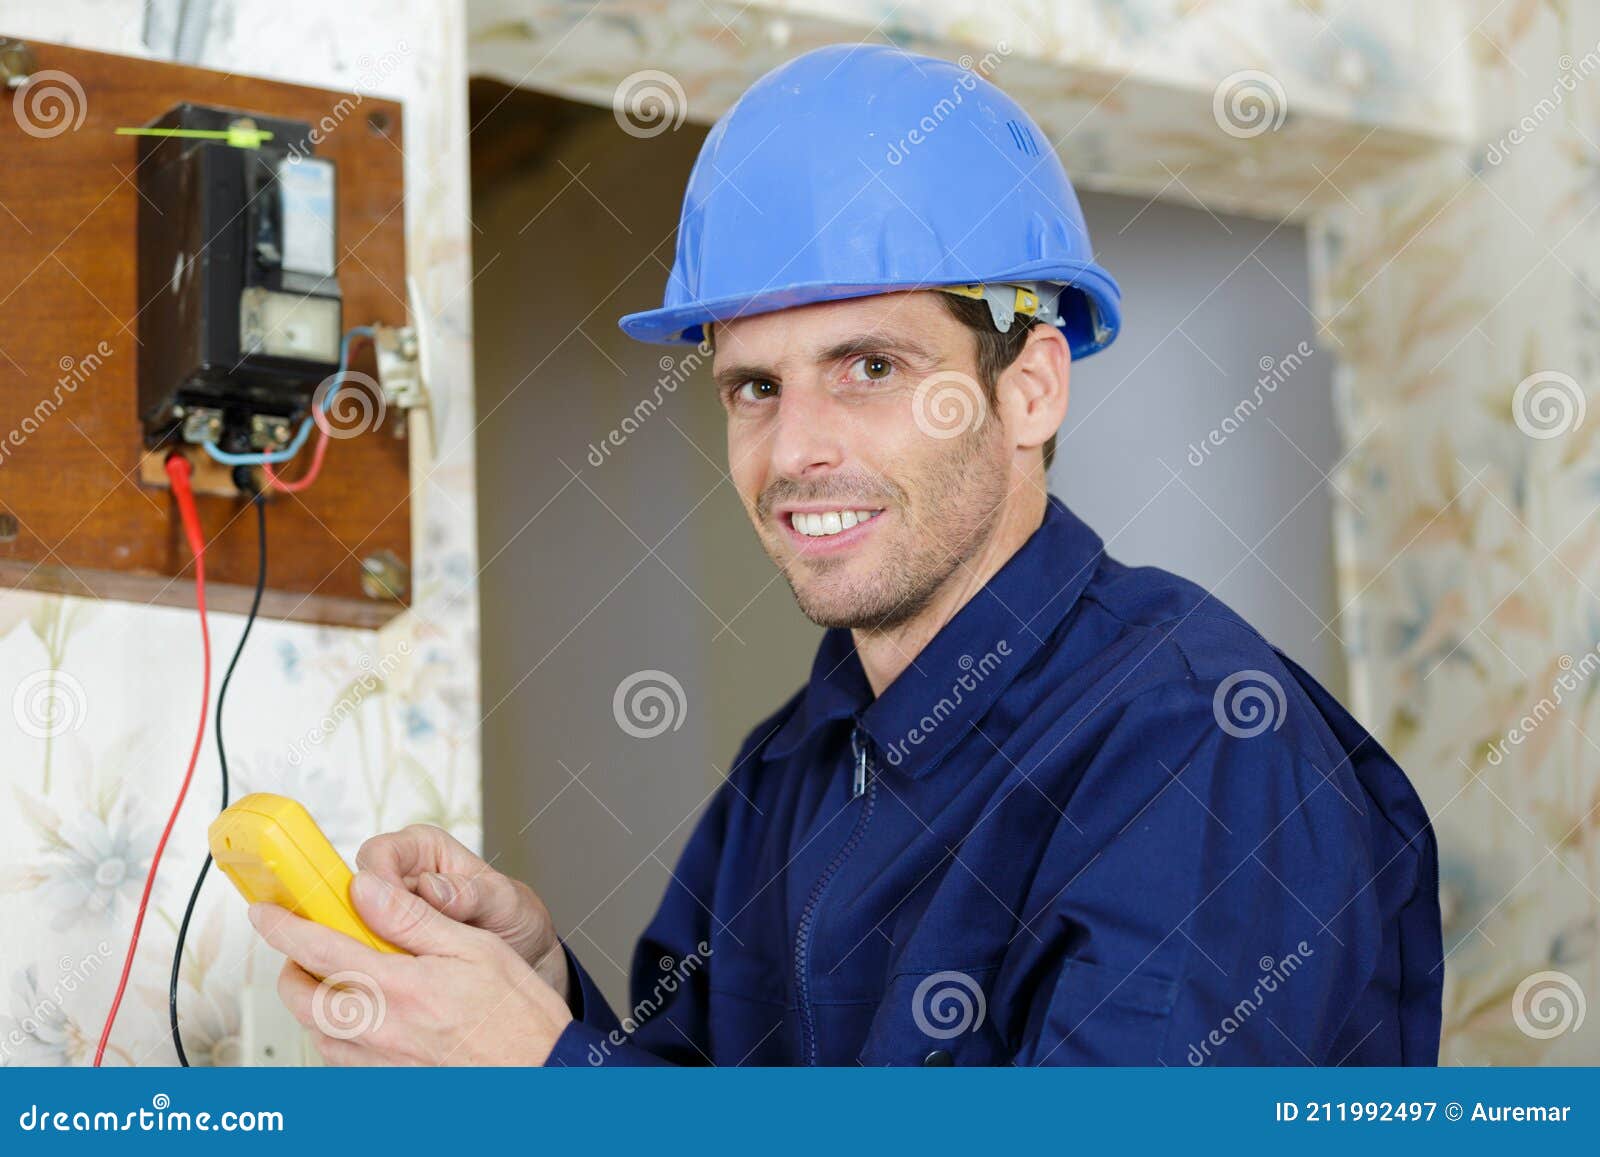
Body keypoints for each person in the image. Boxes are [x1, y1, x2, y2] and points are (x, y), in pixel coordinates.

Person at [249, 43, 1442, 1066]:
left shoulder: (1193, 740)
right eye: (754, 387)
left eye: (871, 366)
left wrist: (544, 1076)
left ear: (1029, 387)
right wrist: (540, 991)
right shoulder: (792, 769)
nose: (794, 449)